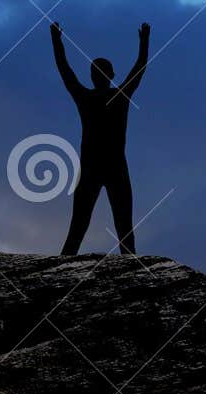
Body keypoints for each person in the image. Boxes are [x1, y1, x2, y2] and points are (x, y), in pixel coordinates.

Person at [51, 21, 150, 255]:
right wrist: (145, 42)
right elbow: (139, 68)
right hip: (105, 167)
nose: (99, 75)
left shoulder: (93, 97)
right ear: (110, 76)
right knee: (94, 225)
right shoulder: (107, 97)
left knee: (99, 225)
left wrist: (56, 41)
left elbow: (65, 70)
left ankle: (129, 272)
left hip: (104, 167)